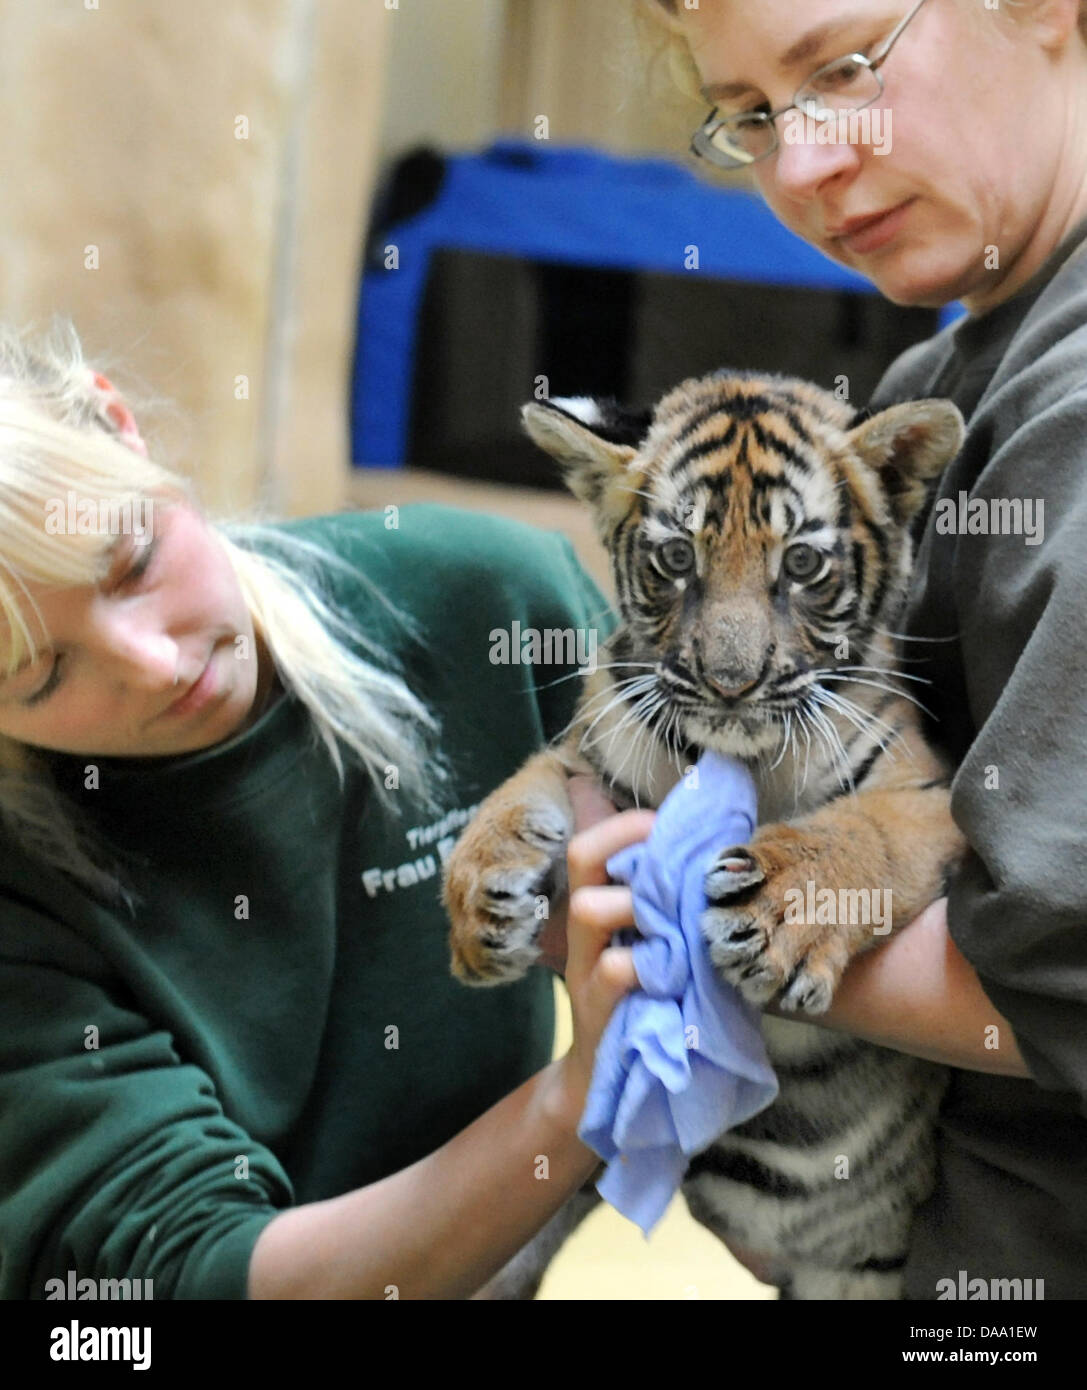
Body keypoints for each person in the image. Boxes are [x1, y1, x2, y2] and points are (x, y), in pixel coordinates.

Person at [0, 317, 652, 1300]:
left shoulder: (490, 603)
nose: (157, 662)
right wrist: (577, 1100)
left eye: (131, 560)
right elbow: (207, 1277)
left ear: (118, 422)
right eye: (40, 676)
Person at [633, 0, 1087, 1296]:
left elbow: (1059, 974)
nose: (801, 164)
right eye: (752, 116)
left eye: (838, 69)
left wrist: (676, 903)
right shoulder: (936, 374)